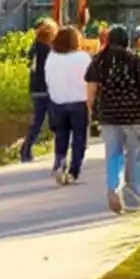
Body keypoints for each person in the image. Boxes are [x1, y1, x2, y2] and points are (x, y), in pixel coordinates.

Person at [86, 26, 140, 214]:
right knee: (135, 158)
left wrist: (88, 116)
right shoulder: (139, 63)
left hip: (109, 117)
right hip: (135, 118)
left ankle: (113, 189)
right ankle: (133, 200)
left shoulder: (98, 62)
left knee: (113, 156)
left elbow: (90, 94)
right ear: (127, 41)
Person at [44, 26, 92, 185]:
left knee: (61, 136)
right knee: (79, 138)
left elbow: (48, 79)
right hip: (79, 101)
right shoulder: (84, 57)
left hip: (58, 101)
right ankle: (73, 171)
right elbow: (90, 80)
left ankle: (60, 163)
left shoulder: (51, 57)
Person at [21, 18, 58, 164]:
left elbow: (29, 63)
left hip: (35, 88)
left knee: (37, 121)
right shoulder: (50, 50)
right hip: (48, 88)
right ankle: (60, 149)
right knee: (55, 120)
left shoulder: (34, 47)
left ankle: (26, 149)